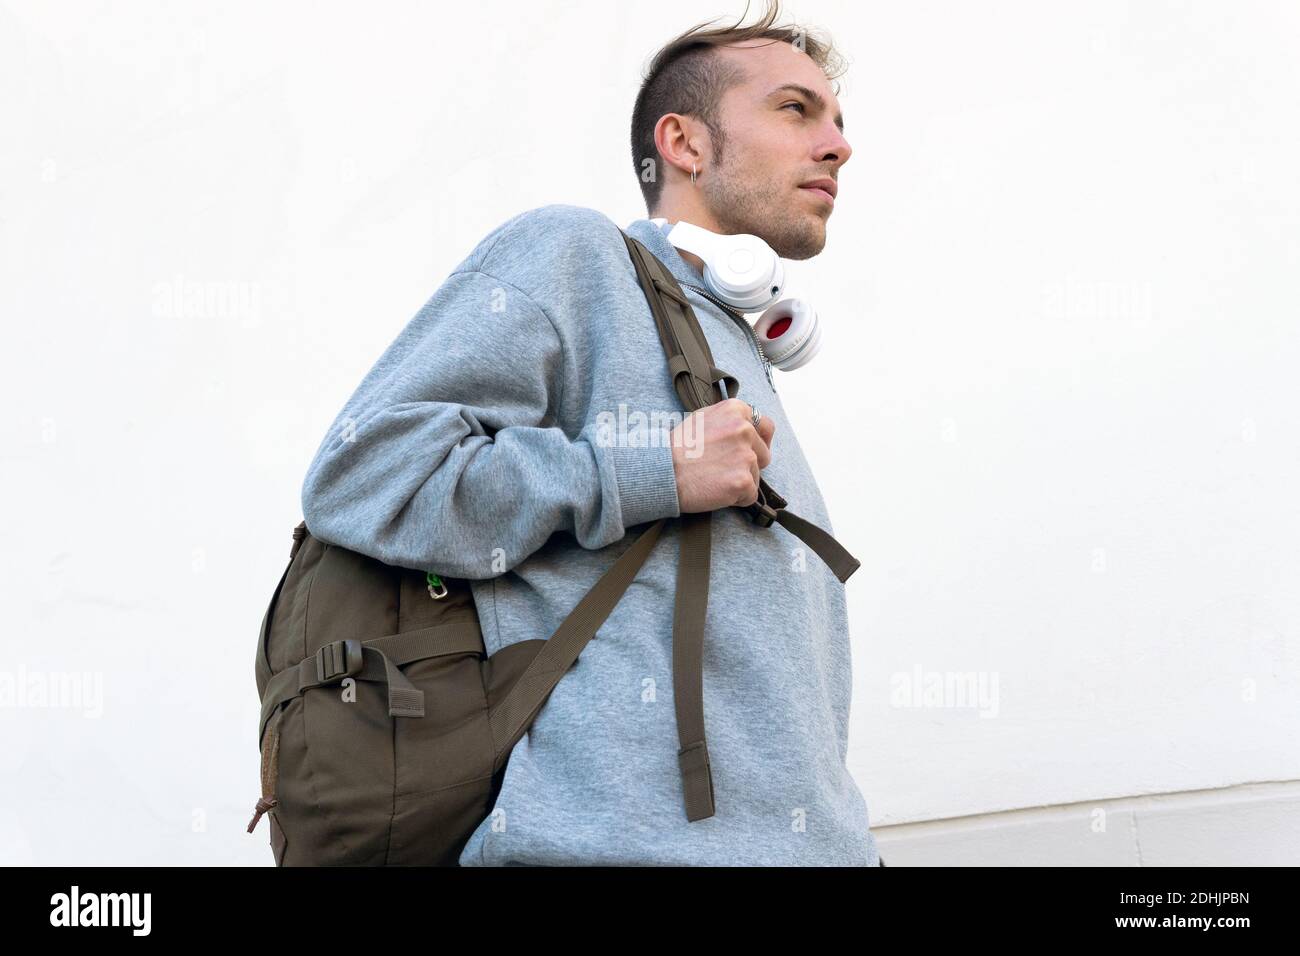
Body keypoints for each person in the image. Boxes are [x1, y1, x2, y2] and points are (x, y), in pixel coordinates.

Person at [300, 0, 881, 866]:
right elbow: (365, 471)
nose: (838, 144)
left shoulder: (737, 338)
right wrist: (651, 471)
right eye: (795, 109)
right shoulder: (576, 255)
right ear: (684, 144)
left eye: (837, 120)